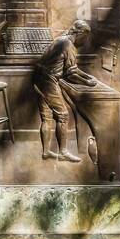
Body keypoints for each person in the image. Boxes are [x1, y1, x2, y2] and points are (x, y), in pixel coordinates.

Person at [33, 19, 97, 162]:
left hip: (38, 79)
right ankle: (62, 152)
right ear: (79, 34)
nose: (86, 41)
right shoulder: (68, 45)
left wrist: (87, 76)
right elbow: (70, 73)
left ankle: (46, 152)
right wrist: (87, 82)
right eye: (85, 37)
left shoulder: (61, 40)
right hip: (48, 81)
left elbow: (72, 68)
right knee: (63, 115)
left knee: (46, 117)